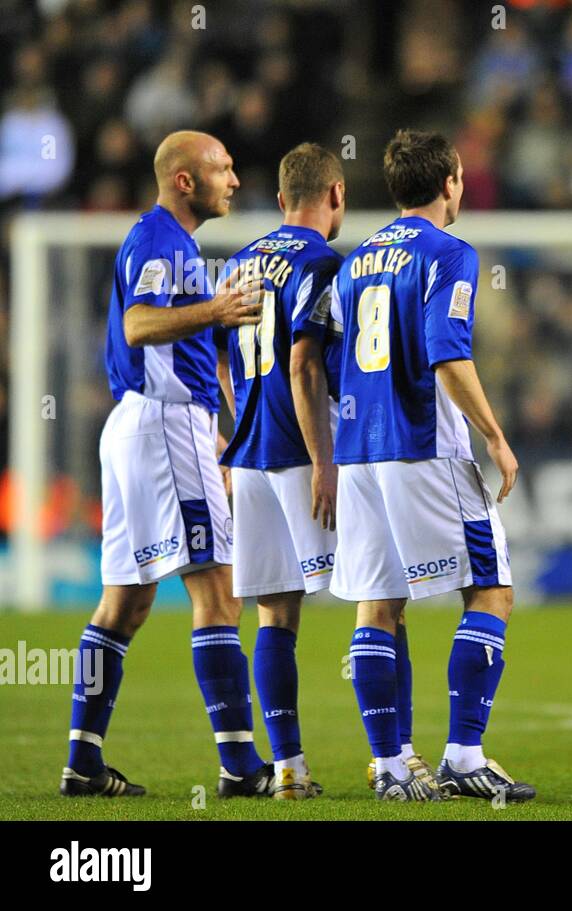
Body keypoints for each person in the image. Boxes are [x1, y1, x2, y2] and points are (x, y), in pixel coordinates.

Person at [63, 130, 270, 797]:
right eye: (223, 168)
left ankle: (82, 760)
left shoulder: (173, 246)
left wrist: (215, 327)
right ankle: (240, 767)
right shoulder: (160, 242)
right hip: (162, 424)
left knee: (124, 602)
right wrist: (218, 308)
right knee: (219, 593)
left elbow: (178, 334)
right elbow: (139, 325)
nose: (234, 180)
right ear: (186, 179)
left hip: (139, 426)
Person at [329, 128, 534, 802]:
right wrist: (497, 437)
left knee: (379, 604)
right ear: (450, 182)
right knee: (492, 588)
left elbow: (330, 363)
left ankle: (390, 766)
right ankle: (463, 754)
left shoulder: (356, 260)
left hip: (359, 450)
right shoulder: (450, 252)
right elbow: (448, 354)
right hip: (424, 444)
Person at [214, 142, 347, 799]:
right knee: (377, 598)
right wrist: (324, 460)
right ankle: (396, 757)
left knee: (274, 614)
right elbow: (304, 362)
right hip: (300, 453)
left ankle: (289, 769)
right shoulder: (323, 260)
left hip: (249, 455)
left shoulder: (239, 263)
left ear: (278, 201)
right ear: (336, 195)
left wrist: (233, 433)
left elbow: (218, 359)